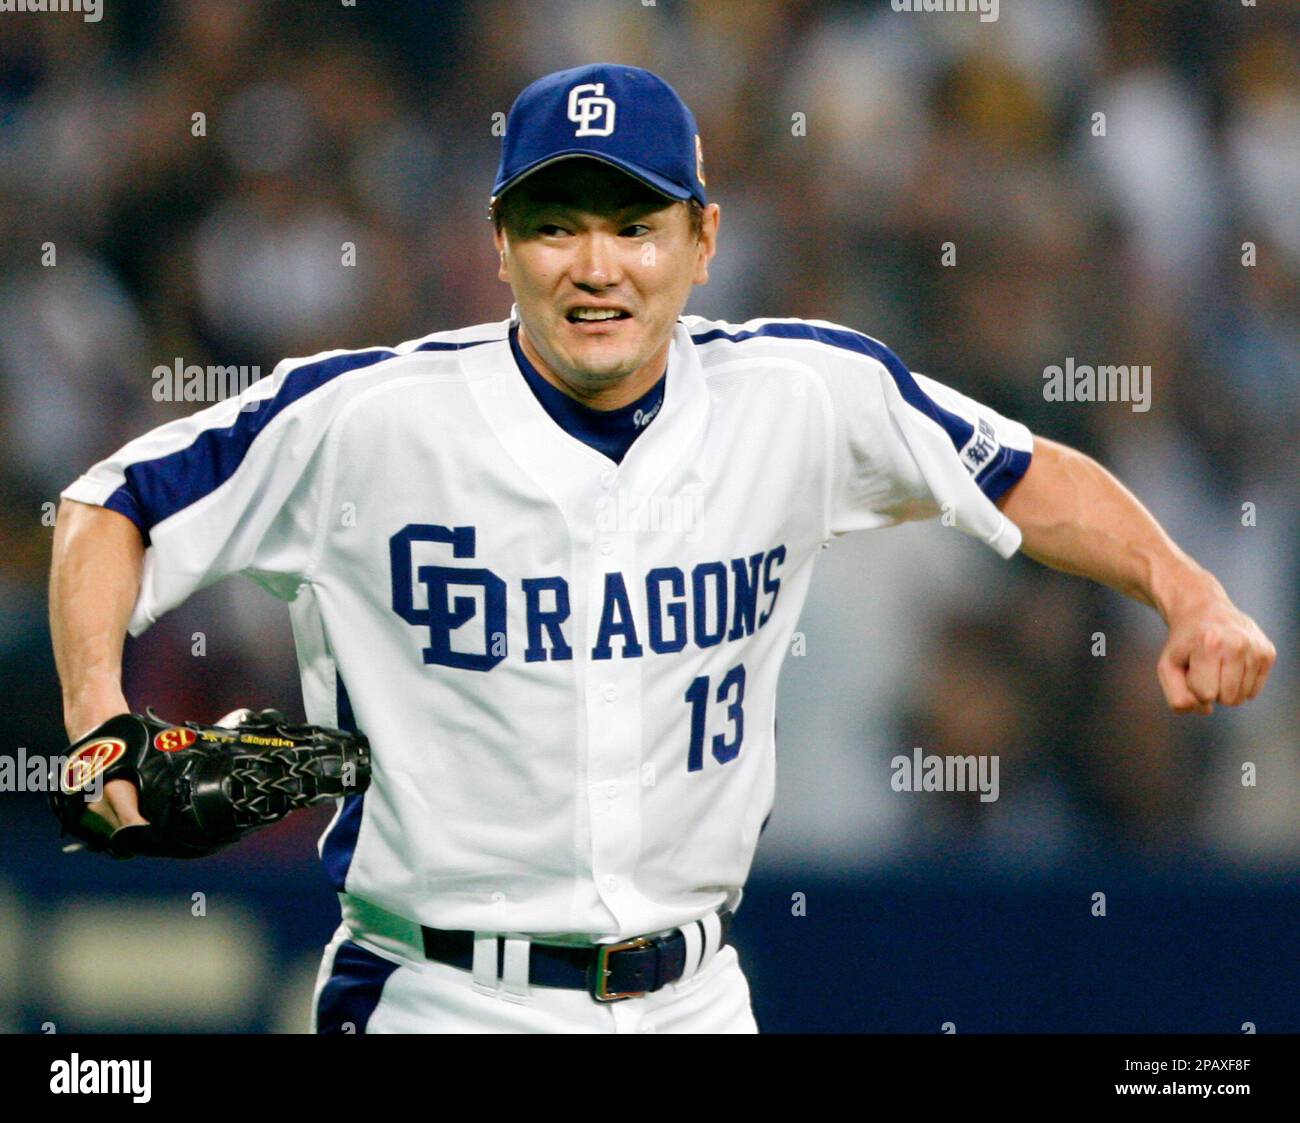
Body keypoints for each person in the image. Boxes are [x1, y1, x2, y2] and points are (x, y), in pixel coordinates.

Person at [48, 63, 1276, 1034]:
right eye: (555, 226)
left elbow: (1020, 473)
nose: (596, 266)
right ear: (500, 244)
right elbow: (114, 503)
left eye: (634, 225)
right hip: (441, 997)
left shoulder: (803, 396)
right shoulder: (368, 422)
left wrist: (1186, 587)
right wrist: (98, 706)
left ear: (701, 239)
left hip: (693, 996)